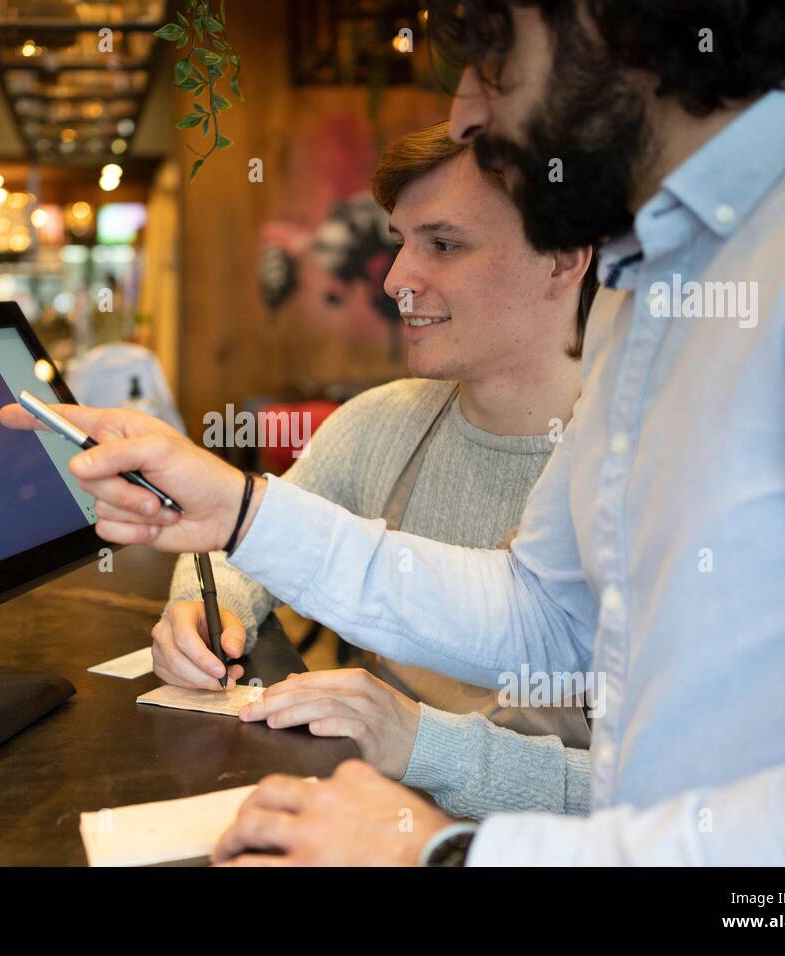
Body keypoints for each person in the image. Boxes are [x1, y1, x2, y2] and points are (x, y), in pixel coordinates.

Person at [2, 0, 785, 864]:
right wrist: (242, 513)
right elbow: (545, 613)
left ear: (617, 23)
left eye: (497, 52)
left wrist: (447, 851)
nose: (469, 111)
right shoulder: (647, 284)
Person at [155, 122, 594, 819]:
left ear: (564, 258)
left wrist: (419, 743)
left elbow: (653, 803)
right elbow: (248, 551)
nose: (395, 281)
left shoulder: (647, 469)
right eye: (400, 245)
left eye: (444, 245)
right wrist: (205, 615)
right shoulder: (380, 423)